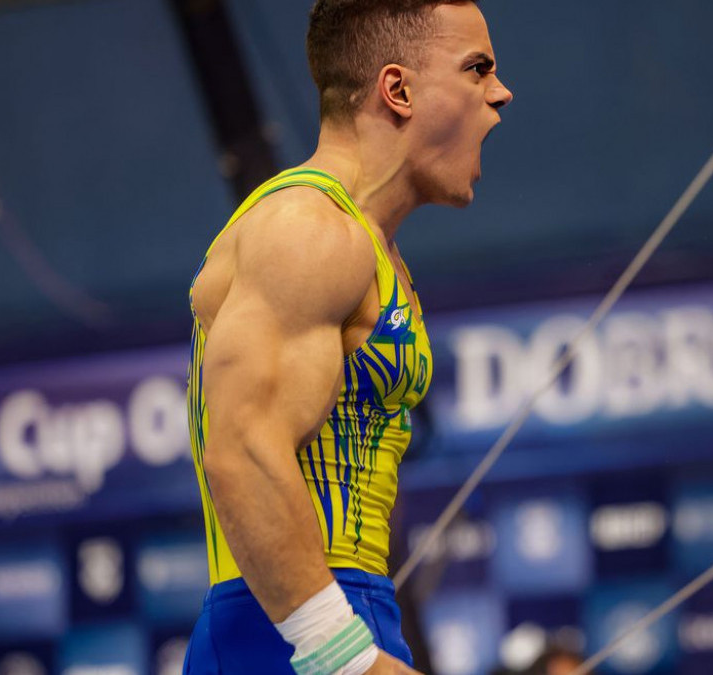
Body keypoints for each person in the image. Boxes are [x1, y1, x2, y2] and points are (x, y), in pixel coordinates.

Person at [183, 1, 512, 674]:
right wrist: (341, 652)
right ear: (399, 90)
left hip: (341, 617)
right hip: (281, 637)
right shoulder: (308, 229)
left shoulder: (371, 248)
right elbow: (241, 450)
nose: (500, 93)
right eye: (477, 69)